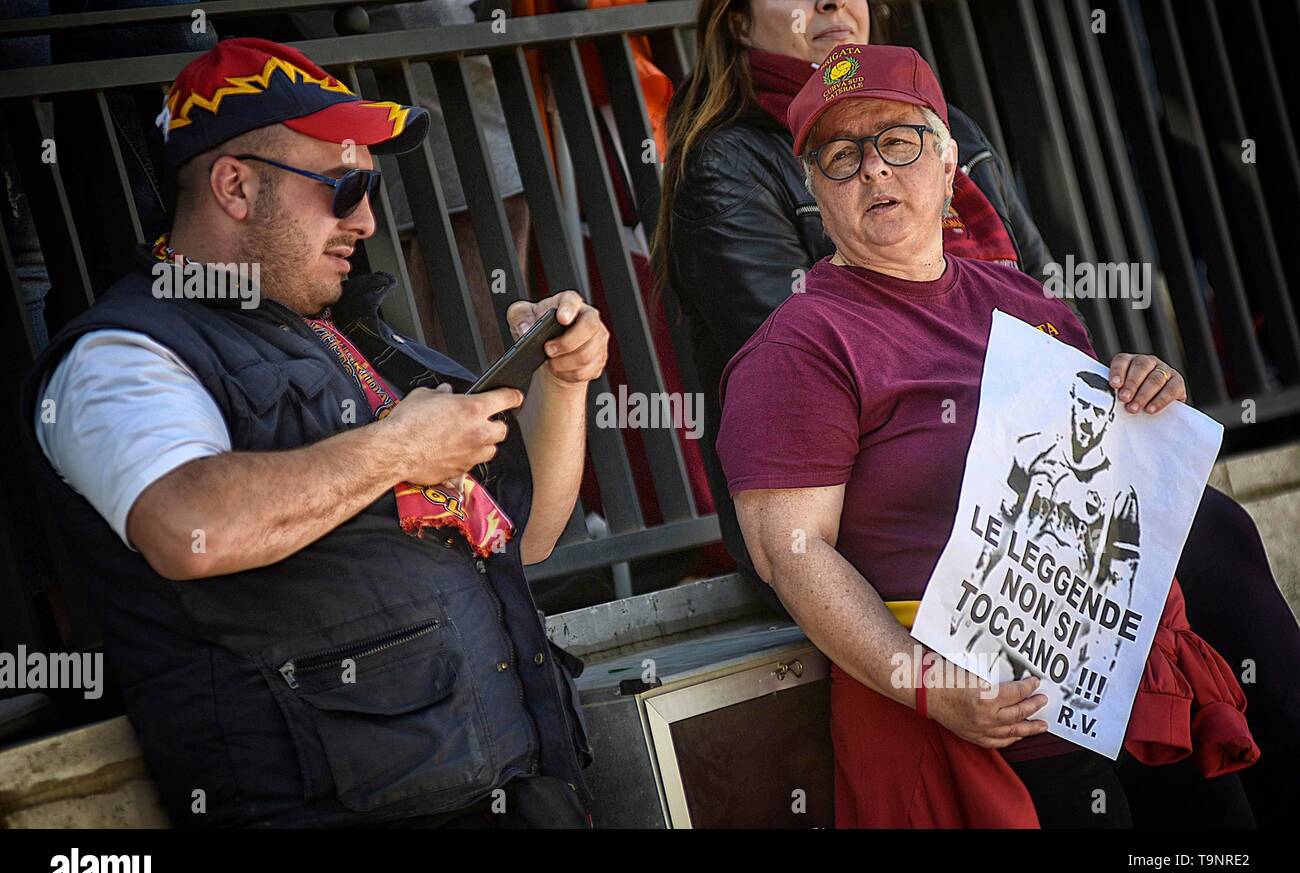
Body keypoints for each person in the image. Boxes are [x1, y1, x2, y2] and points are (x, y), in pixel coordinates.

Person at [655, 0, 1298, 825]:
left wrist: (1133, 389)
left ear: (949, 154)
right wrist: (927, 683)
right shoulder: (801, 341)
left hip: (1120, 673)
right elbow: (792, 549)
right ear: (813, 186)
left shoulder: (1022, 299)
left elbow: (1091, 455)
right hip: (1003, 712)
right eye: (841, 158)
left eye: (898, 143)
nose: (875, 172)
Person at [19, 37, 608, 828]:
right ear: (234, 185)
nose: (366, 218)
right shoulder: (121, 354)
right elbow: (188, 525)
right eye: (344, 185)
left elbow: (524, 535)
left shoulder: (347, 333)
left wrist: (562, 385)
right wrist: (398, 448)